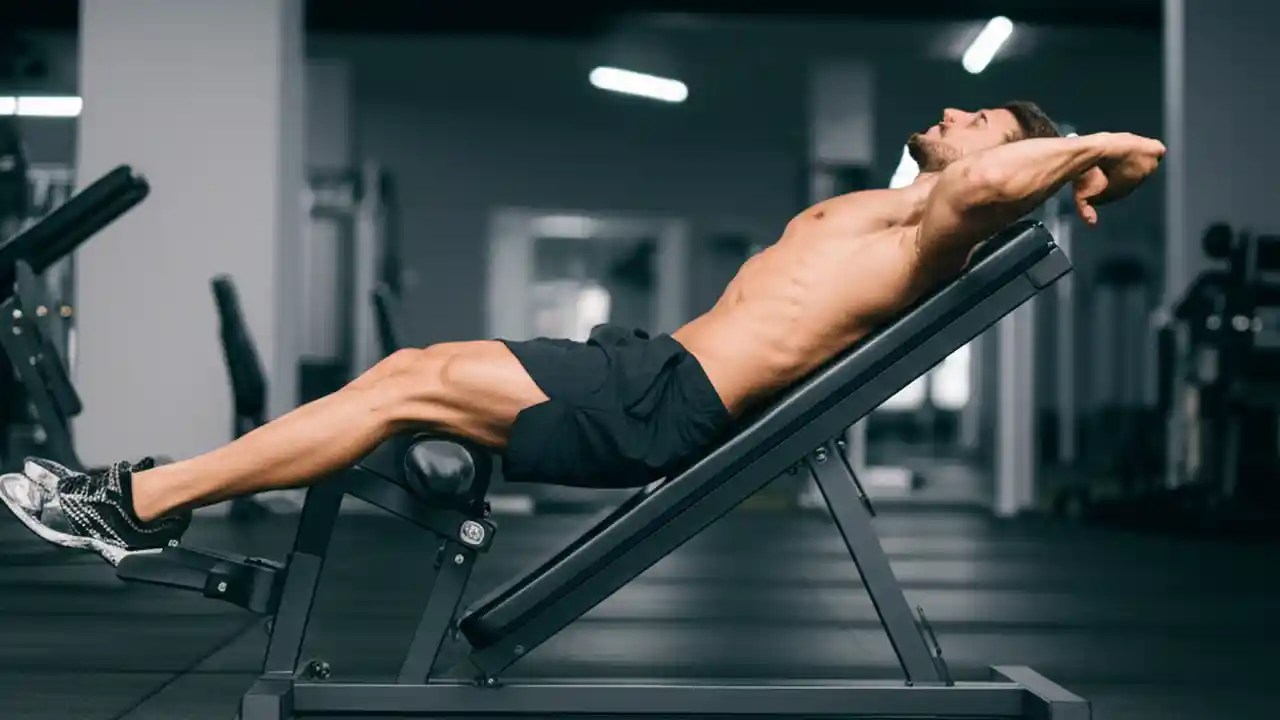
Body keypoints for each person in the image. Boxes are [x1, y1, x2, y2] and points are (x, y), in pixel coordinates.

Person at [0, 102, 1165, 565]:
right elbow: (1004, 173)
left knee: (400, 388)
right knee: (404, 374)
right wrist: (1074, 162)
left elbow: (1029, 176)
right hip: (648, 369)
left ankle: (138, 503)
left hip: (662, 405)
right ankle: (150, 499)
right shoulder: (903, 209)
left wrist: (1092, 149)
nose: (953, 113)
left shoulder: (943, 223)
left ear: (1003, 157)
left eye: (979, 116)